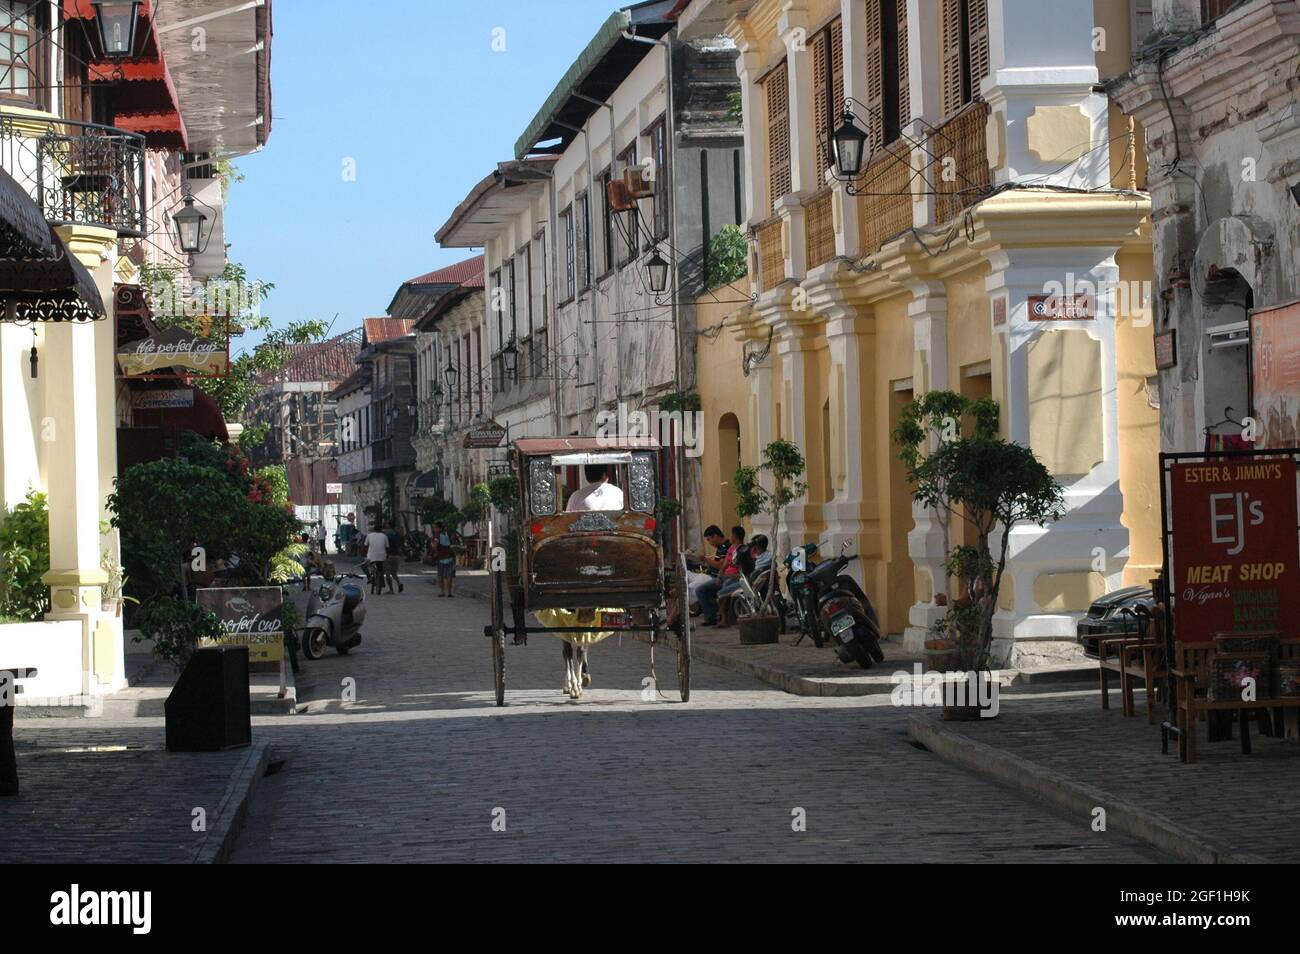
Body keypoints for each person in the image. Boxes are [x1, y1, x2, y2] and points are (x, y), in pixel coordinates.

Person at [697, 526, 745, 626]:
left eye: (731, 535)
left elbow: (723, 565)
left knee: (709, 590)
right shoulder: (730, 549)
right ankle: (714, 615)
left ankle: (719, 618)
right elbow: (724, 565)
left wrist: (706, 560)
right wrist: (720, 576)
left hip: (733, 577)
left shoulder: (740, 550)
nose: (729, 537)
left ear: (735, 536)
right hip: (724, 576)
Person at [685, 525, 727, 616]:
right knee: (685, 575)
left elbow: (720, 566)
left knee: (694, 589)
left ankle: (710, 616)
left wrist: (705, 559)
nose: (709, 543)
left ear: (715, 536)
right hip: (708, 574)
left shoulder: (725, 547)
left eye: (709, 539)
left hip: (713, 577)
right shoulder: (720, 548)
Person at [431, 521, 461, 598]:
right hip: (449, 558)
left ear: (440, 528)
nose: (434, 529)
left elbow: (435, 546)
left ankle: (442, 591)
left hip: (441, 558)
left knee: (440, 576)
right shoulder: (448, 534)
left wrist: (432, 545)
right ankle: (449, 592)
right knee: (449, 576)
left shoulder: (437, 536)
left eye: (435, 527)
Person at [364, 524, 390, 594]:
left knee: (363, 565)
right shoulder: (384, 536)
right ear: (381, 530)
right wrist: (387, 555)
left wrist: (365, 553)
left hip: (371, 556)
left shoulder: (369, 535)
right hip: (382, 556)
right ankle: (381, 581)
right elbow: (387, 547)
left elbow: (365, 545)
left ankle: (369, 577)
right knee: (381, 569)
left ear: (374, 529)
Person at [385, 524, 405, 594]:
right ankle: (399, 583)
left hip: (389, 556)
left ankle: (391, 590)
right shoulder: (398, 535)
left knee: (387, 575)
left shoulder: (387, 535)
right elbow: (400, 546)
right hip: (396, 556)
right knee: (394, 573)